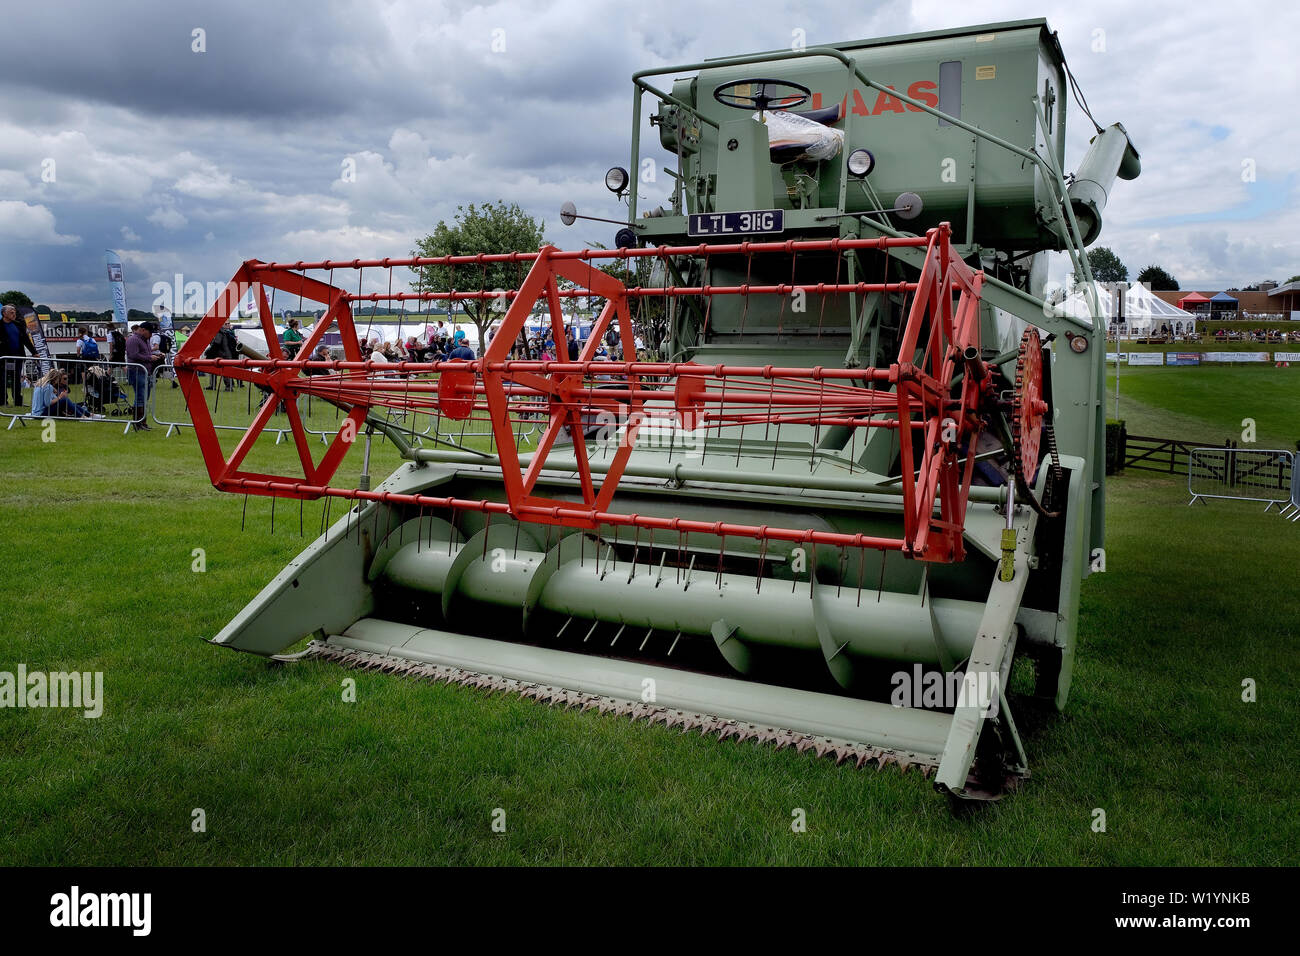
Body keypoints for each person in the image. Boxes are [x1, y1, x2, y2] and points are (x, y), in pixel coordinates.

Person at [1, 304, 38, 407]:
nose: (14, 314)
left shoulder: (18, 324)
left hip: (17, 357)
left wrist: (34, 352)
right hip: (4, 358)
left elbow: (26, 339)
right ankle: (3, 402)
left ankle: (18, 402)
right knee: (2, 380)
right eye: (11, 313)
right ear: (4, 314)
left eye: (15, 313)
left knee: (16, 380)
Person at [125, 322, 161, 430]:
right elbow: (133, 355)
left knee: (145, 397)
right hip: (137, 371)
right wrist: (149, 358)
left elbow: (146, 353)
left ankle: (142, 422)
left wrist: (156, 355)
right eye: (150, 333)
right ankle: (138, 422)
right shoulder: (133, 340)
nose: (151, 336)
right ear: (143, 330)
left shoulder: (145, 340)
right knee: (140, 397)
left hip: (145, 371)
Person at [31, 367, 101, 419]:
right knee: (65, 400)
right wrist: (60, 397)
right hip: (41, 414)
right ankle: (84, 416)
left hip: (36, 413)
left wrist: (55, 394)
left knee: (70, 403)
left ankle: (88, 415)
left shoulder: (40, 384)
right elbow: (47, 403)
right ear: (54, 379)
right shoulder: (48, 387)